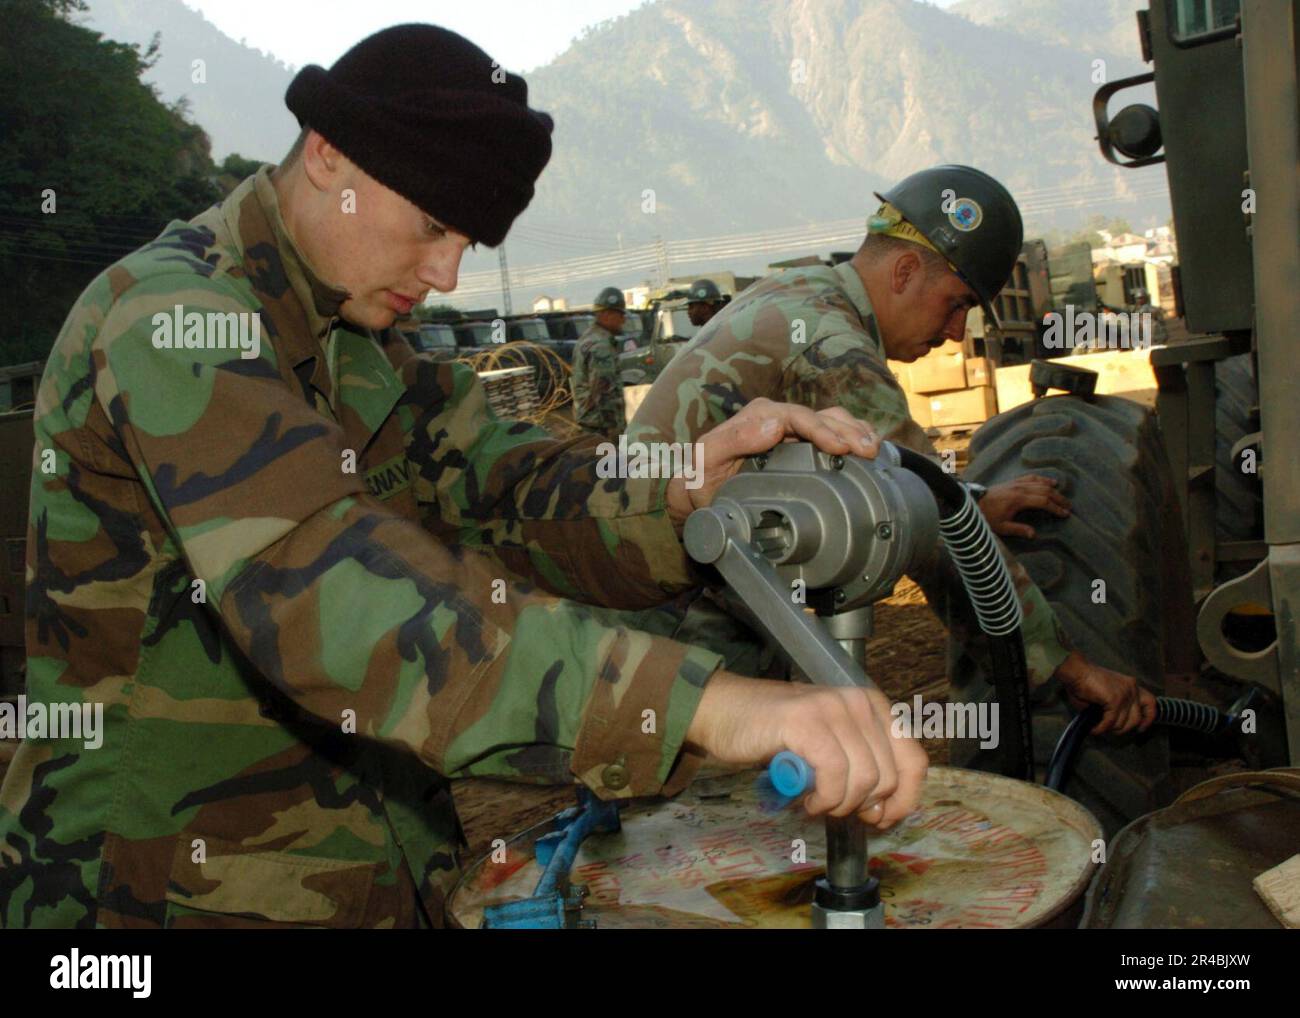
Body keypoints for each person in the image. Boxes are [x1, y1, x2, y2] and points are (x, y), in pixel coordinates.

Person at [0, 24, 924, 929]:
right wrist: (704, 706)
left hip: (363, 867)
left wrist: (683, 483)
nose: (446, 271)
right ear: (327, 154)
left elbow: (513, 489)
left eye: (468, 241)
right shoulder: (170, 317)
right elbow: (330, 582)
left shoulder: (360, 349)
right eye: (433, 224)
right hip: (151, 891)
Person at [628, 165, 1159, 738]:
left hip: (657, 590)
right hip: (675, 623)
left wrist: (973, 500)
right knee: (704, 812)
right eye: (956, 304)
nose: (957, 332)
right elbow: (938, 524)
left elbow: (909, 484)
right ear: (905, 270)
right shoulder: (834, 349)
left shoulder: (804, 295)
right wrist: (1068, 668)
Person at [569, 286, 629, 434]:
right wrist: (614, 429)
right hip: (601, 427)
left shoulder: (588, 338)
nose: (623, 320)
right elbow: (603, 391)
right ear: (607, 314)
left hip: (590, 424)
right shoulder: (601, 346)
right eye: (620, 314)